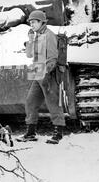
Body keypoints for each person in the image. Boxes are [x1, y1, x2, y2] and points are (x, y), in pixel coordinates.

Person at [17, 10, 66, 144]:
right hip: (36, 71)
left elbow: (52, 58)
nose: (31, 25)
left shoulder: (49, 35)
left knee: (53, 102)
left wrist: (47, 73)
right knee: (30, 102)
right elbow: (29, 55)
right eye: (30, 22)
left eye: (33, 22)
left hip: (47, 73)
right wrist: (30, 39)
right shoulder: (37, 36)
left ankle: (58, 133)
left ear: (41, 22)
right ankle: (30, 132)